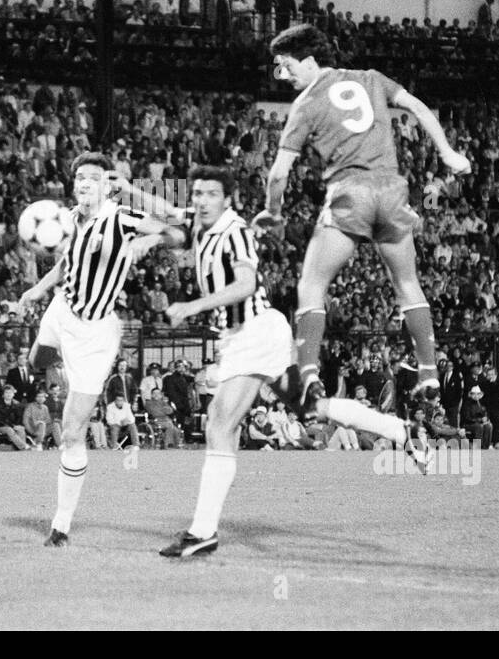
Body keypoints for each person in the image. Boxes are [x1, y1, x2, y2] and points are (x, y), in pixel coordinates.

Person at [160, 166, 426, 559]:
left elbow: (246, 284)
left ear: (227, 200)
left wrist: (192, 306)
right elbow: (166, 211)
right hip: (249, 334)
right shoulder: (205, 224)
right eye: (196, 193)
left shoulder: (233, 231)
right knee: (308, 408)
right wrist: (128, 190)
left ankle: (203, 531)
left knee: (220, 421)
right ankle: (401, 430)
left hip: (252, 332)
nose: (200, 200)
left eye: (210, 194)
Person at [254, 24, 470, 421]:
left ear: (310, 60)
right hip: (392, 191)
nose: (283, 75)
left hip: (350, 193)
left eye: (286, 66)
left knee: (311, 284)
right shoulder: (372, 79)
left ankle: (308, 372)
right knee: (407, 283)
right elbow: (419, 106)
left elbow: (279, 174)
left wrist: (274, 211)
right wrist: (448, 152)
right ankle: (428, 371)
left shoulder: (306, 103)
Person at [18, 152, 181, 547]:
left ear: (106, 185)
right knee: (33, 361)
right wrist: (37, 290)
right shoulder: (70, 218)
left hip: (94, 336)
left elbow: (177, 231)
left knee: (71, 432)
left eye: (93, 177)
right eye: (79, 178)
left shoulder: (122, 216)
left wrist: (151, 238)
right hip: (62, 309)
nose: (85, 183)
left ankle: (60, 526)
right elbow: (66, 263)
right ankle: (51, 356)